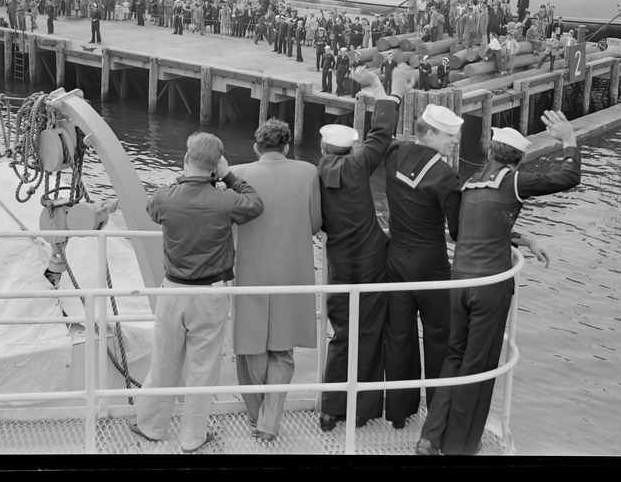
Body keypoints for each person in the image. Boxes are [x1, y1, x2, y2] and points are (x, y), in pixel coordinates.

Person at [417, 112, 579, 456]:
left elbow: (470, 228)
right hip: (489, 287)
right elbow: (569, 176)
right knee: (478, 365)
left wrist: (520, 238)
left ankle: (429, 437)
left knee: (454, 357)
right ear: (517, 159)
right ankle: (459, 447)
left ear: (491, 152)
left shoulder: (471, 181)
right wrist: (568, 140)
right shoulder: (514, 181)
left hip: (458, 281)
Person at [132, 132, 264, 453]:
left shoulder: (165, 197)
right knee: (202, 368)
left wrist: (187, 178)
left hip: (173, 290)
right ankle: (193, 437)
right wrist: (228, 175)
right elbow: (255, 204)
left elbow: (153, 210)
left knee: (164, 361)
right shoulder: (225, 200)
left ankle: (152, 427)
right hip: (211, 293)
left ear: (186, 158)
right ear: (215, 166)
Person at [316, 64, 417, 432]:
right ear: (351, 146)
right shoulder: (359, 165)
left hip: (340, 264)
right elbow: (381, 133)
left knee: (342, 335)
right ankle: (362, 410)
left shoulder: (315, 176)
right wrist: (387, 91)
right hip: (373, 260)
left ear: (323, 148)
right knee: (371, 332)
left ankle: (330, 410)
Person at [230, 119, 322, 441]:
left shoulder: (238, 173)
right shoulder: (309, 172)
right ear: (286, 147)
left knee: (248, 346)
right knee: (282, 350)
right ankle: (269, 423)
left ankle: (259, 417)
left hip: (249, 270)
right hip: (291, 271)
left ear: (257, 147)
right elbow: (314, 223)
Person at [382, 104, 464, 429]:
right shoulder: (446, 176)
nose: (455, 141)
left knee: (400, 337)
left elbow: (379, 138)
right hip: (431, 268)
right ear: (429, 134)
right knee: (439, 338)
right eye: (449, 135)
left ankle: (400, 412)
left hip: (396, 262)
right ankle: (438, 415)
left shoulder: (395, 153)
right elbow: (458, 232)